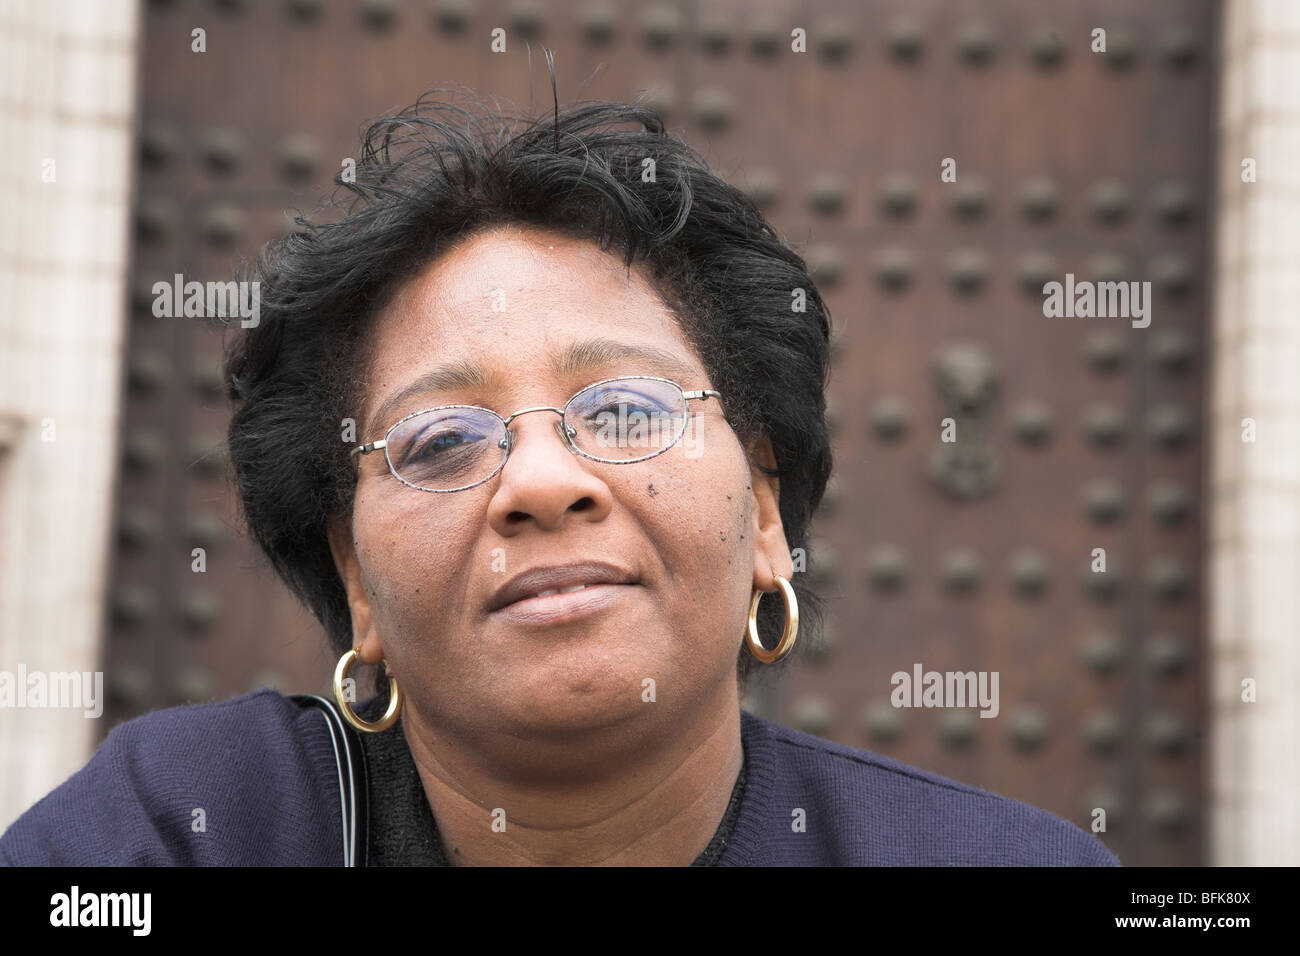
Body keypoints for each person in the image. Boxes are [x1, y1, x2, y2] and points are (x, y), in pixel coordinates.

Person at [1, 87, 1119, 866]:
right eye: (439, 440)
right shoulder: (187, 825)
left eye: (625, 409)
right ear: (354, 577)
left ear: (766, 511)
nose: (541, 479)